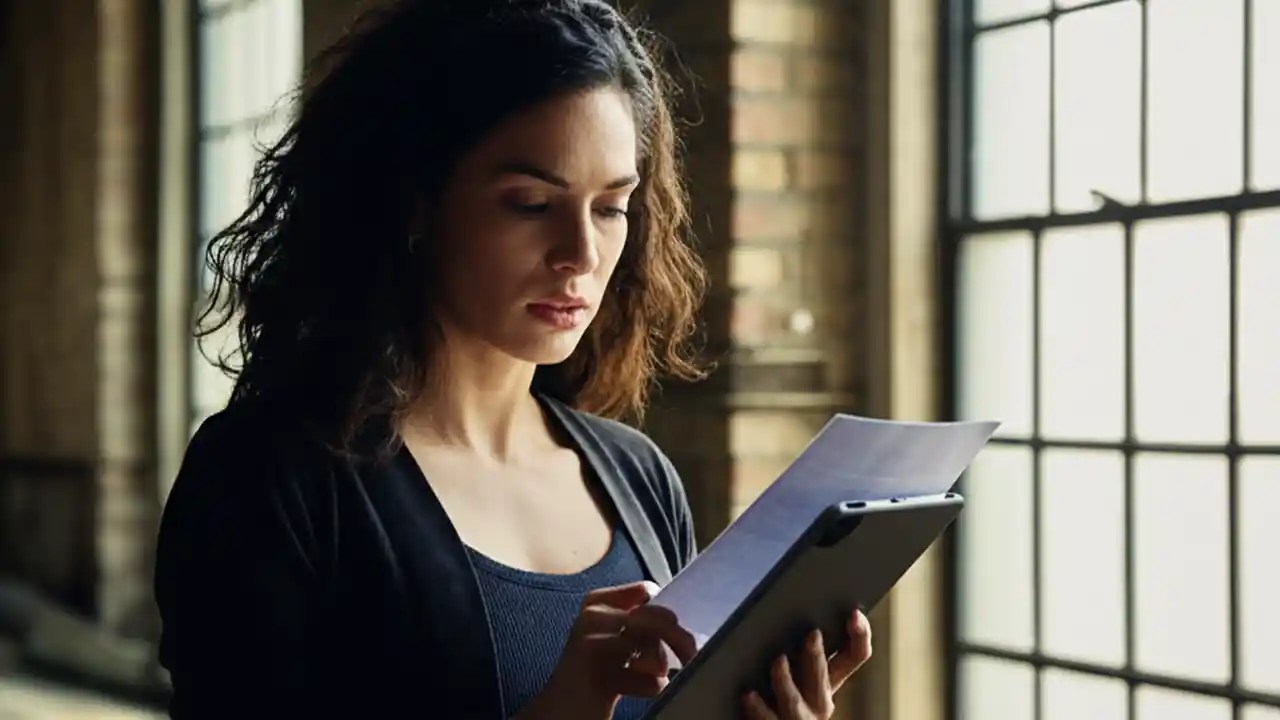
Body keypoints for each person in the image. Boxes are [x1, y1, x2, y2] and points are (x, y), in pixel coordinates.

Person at [153, 1, 872, 718]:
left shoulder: (640, 478)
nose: (581, 255)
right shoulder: (270, 478)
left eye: (611, 207)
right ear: (413, 202)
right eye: (531, 203)